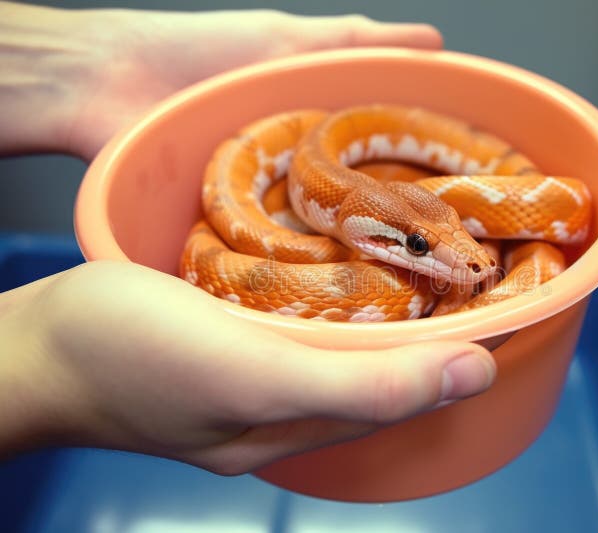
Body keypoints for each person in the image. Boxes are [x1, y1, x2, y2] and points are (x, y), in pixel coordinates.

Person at [0, 2, 495, 475]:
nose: (467, 261)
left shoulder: (345, 189)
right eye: (415, 247)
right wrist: (49, 357)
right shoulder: (321, 199)